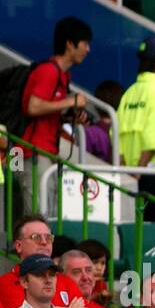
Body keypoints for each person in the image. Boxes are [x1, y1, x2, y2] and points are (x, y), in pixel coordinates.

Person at [18, 18, 91, 210]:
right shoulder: (48, 71)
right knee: (37, 217)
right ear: (69, 44)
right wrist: (72, 101)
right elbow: (33, 107)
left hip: (46, 154)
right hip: (31, 153)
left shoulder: (63, 75)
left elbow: (47, 110)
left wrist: (70, 117)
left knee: (47, 216)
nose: (88, 49)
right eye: (85, 43)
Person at [117, 39, 155, 220]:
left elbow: (116, 135)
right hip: (154, 178)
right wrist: (138, 172)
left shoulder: (130, 93)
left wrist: (126, 172)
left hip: (129, 177)